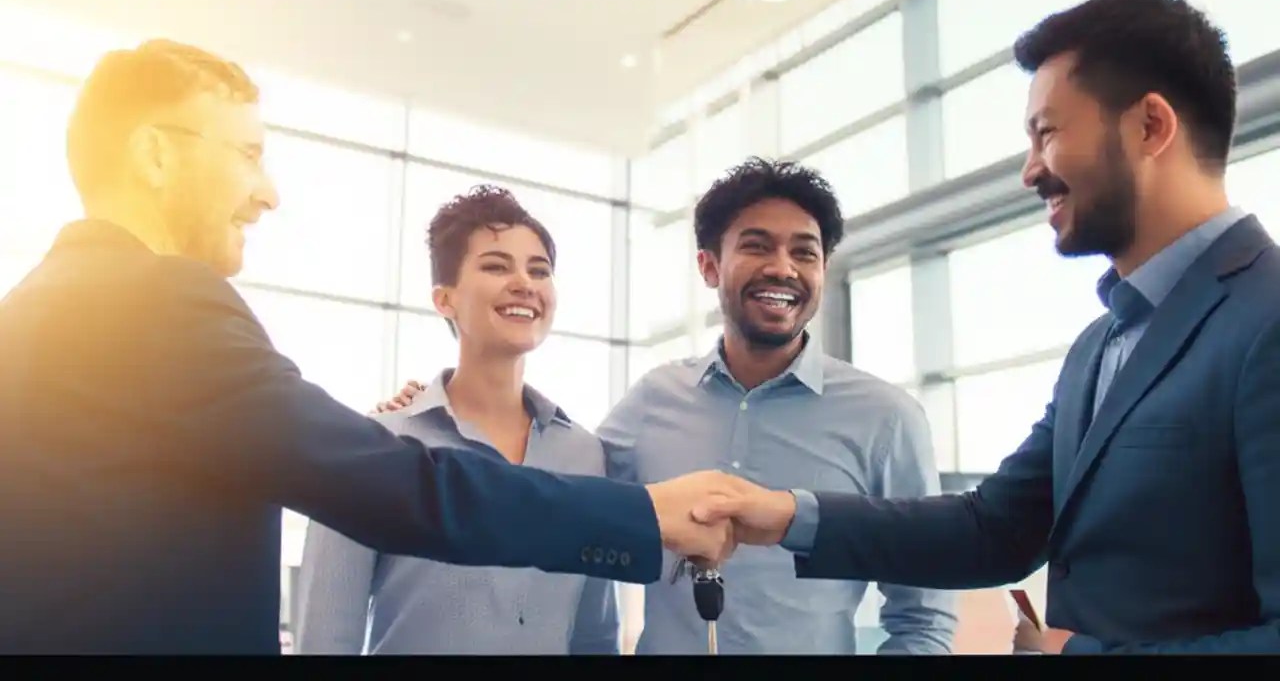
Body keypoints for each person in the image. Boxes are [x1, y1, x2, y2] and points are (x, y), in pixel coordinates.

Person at [0, 38, 739, 654]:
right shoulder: (154, 303)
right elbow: (396, 487)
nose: (268, 193)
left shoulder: (32, 311)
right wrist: (640, 515)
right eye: (248, 153)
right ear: (156, 156)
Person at [694, 0, 1280, 655]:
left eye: (1047, 134)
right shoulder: (1101, 344)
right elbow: (995, 528)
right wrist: (785, 514)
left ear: (1150, 126)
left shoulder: (1266, 317)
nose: (1031, 170)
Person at [380, 158, 957, 654]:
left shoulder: (888, 419)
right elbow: (555, 482)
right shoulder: (652, 402)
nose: (782, 267)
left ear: (822, 271)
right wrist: (432, 413)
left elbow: (925, 615)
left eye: (804, 252)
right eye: (756, 246)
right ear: (710, 267)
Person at [296, 186, 623, 655]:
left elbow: (595, 637)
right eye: (495, 266)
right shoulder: (378, 447)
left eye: (539, 270)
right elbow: (325, 638)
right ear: (444, 299)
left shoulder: (583, 455)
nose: (524, 283)